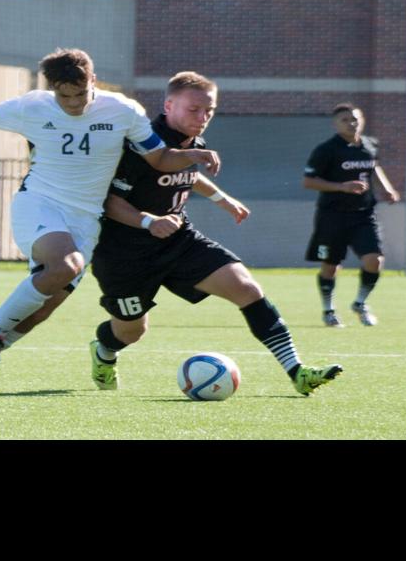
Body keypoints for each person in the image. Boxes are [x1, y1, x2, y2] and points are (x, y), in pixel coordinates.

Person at [0, 47, 221, 393]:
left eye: (80, 94)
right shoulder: (31, 107)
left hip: (85, 220)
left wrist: (192, 156)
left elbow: (160, 158)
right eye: (65, 96)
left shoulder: (122, 110)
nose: (74, 103)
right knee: (65, 265)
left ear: (93, 80)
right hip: (40, 204)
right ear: (52, 89)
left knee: (36, 314)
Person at [88, 72, 342, 396]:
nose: (203, 117)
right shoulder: (142, 144)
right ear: (168, 105)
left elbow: (189, 174)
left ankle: (297, 371)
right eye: (194, 109)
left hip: (178, 242)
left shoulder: (194, 144)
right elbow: (110, 202)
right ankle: (104, 352)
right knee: (131, 331)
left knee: (246, 288)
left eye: (209, 110)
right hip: (124, 254)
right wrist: (149, 221)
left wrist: (223, 199)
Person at [303, 103, 400, 327]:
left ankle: (360, 303)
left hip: (364, 215)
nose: (351, 123)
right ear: (335, 124)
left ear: (362, 121)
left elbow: (373, 167)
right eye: (345, 120)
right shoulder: (326, 150)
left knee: (374, 260)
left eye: (355, 119)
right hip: (332, 216)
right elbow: (308, 181)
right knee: (330, 266)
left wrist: (387, 189)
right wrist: (342, 187)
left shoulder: (369, 144)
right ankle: (329, 310)